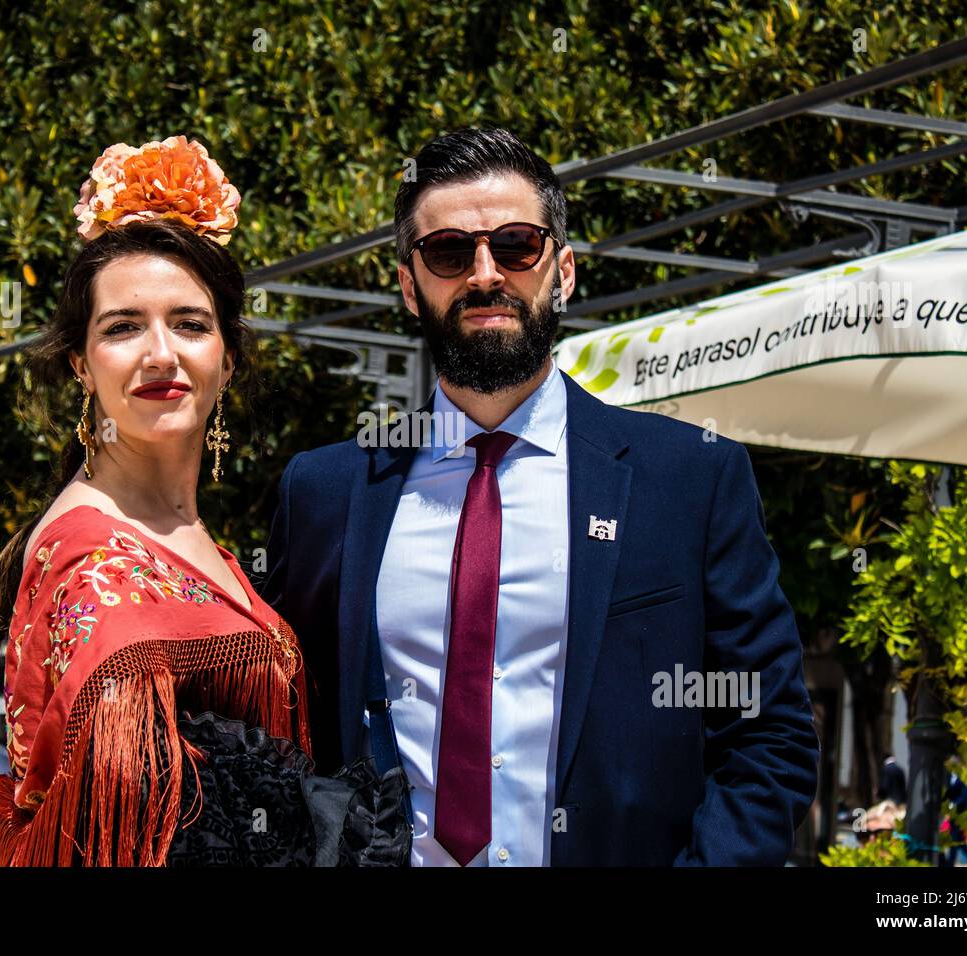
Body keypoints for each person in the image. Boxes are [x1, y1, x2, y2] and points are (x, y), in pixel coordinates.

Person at [263, 127, 820, 866]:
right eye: (449, 252)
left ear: (562, 272)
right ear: (408, 283)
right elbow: (281, 729)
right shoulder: (327, 490)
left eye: (517, 245)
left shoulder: (688, 477)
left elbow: (768, 732)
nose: (485, 274)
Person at [0, 135, 409, 867]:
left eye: (191, 323)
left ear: (227, 359)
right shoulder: (86, 549)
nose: (160, 353)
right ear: (81, 364)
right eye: (123, 327)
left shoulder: (210, 546)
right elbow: (122, 821)